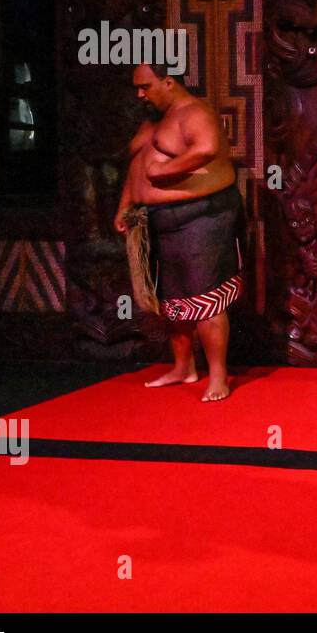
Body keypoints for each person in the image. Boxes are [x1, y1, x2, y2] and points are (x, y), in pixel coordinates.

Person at [114, 62, 244, 403]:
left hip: (201, 216)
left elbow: (207, 148)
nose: (140, 94)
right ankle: (183, 367)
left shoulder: (195, 112)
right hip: (158, 217)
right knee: (172, 299)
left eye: (146, 86)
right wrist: (125, 205)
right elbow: (138, 162)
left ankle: (217, 374)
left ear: (168, 81)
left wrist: (165, 170)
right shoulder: (153, 119)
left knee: (205, 296)